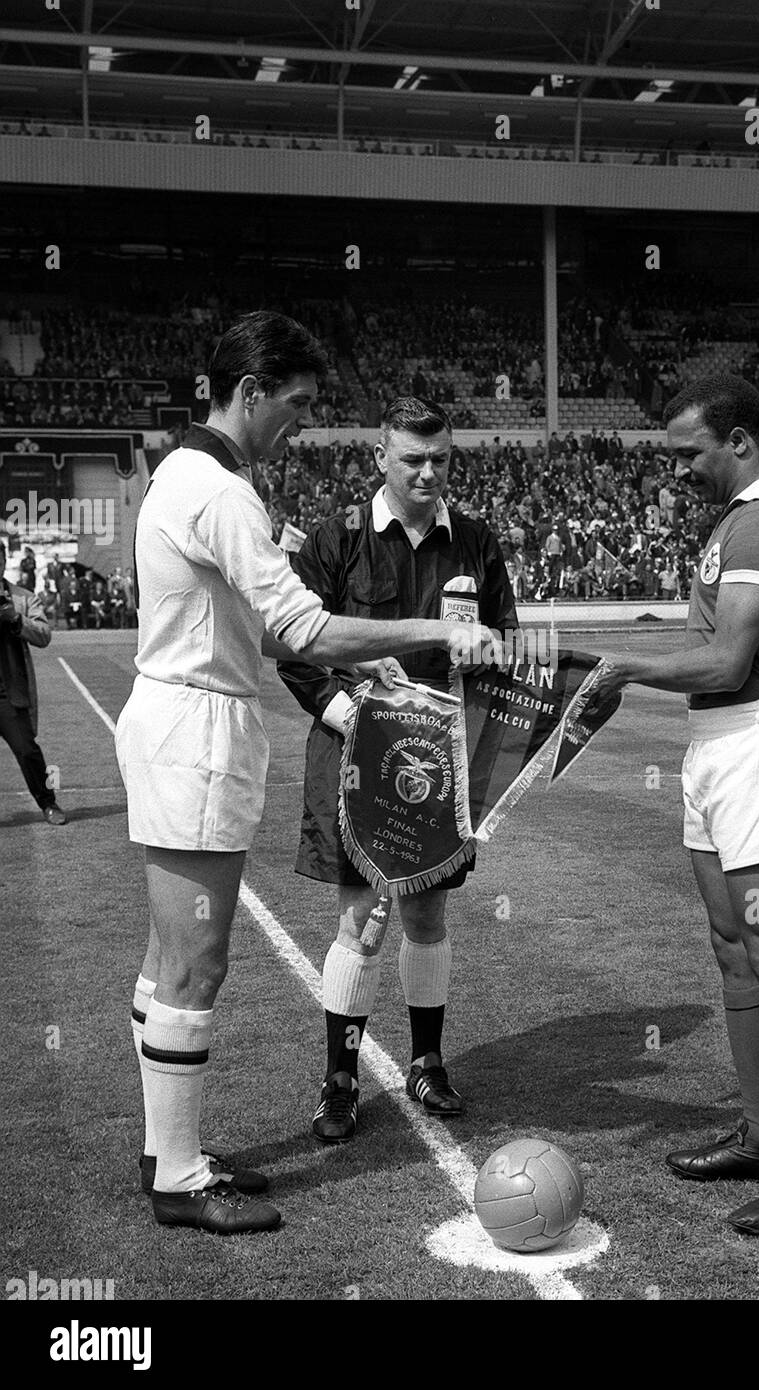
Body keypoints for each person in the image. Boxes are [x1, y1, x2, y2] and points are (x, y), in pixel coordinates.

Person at [116, 317, 498, 1237]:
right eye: (294, 405)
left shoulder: (185, 474)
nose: (299, 423)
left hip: (185, 722)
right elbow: (308, 633)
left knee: (170, 958)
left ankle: (168, 1153)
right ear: (250, 392)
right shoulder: (220, 490)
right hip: (196, 733)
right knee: (195, 960)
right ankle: (177, 1176)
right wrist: (433, 632)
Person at [586, 373, 759, 1237]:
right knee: (733, 944)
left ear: (739, 439)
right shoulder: (740, 519)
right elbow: (708, 652)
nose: (678, 470)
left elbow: (729, 659)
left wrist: (624, 666)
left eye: (688, 453)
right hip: (720, 746)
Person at [278, 396, 518, 1145]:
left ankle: (426, 1061)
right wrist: (347, 712)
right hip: (354, 757)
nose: (427, 472)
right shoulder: (337, 539)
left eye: (440, 458)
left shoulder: (476, 542)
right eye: (412, 458)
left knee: (427, 915)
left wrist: (494, 653)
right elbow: (294, 646)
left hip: (440, 767)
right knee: (360, 920)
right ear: (380, 456)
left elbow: (506, 642)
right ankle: (341, 1079)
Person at [0, 541, 68, 826]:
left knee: (28, 751)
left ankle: (49, 803)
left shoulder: (23, 598)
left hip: (9, 694)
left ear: (4, 561)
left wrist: (16, 619)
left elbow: (43, 635)